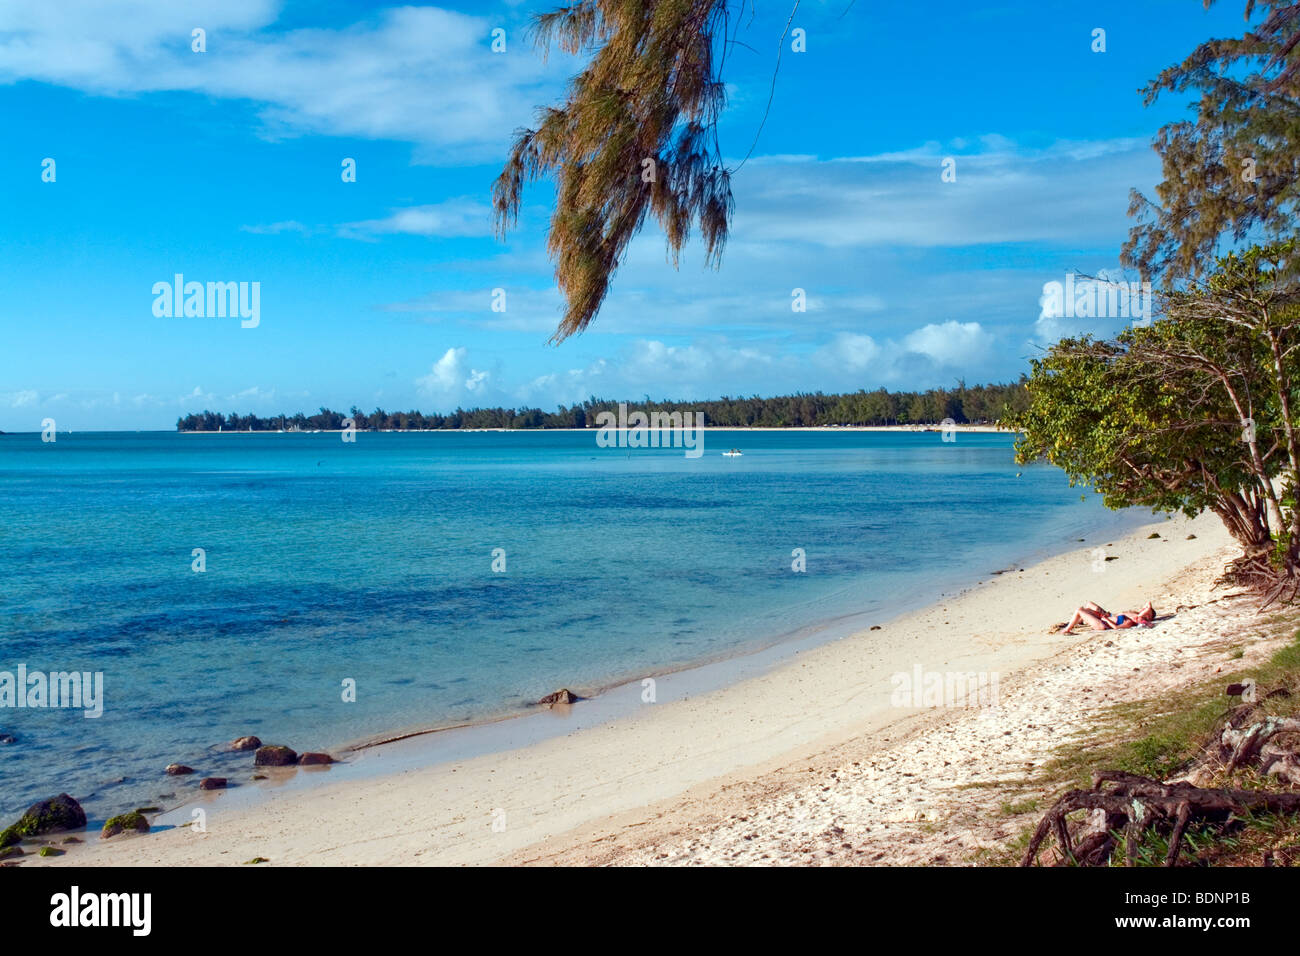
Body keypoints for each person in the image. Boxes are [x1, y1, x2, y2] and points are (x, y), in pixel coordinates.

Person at [1058, 600, 1156, 633]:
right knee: (1089, 604)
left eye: (1147, 616)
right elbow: (1148, 604)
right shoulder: (1135, 615)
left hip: (1102, 624)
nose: (1144, 614)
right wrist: (1105, 615)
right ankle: (1080, 620)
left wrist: (1105, 619)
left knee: (1079, 610)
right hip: (1106, 616)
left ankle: (1067, 629)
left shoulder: (1132, 621)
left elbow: (1116, 627)